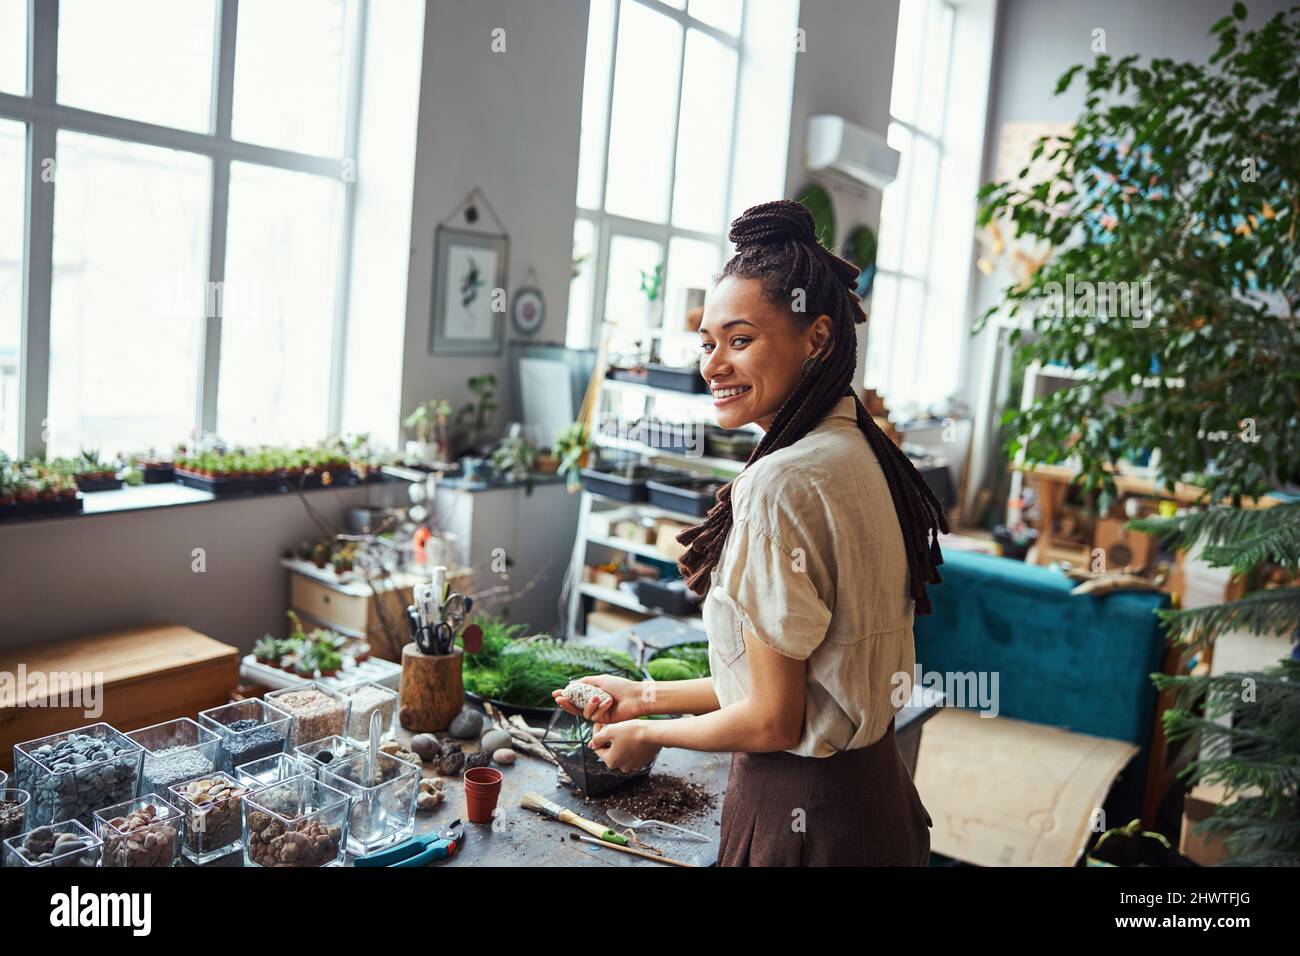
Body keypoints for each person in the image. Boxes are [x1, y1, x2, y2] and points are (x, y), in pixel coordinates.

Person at [554, 199, 947, 866]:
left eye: (740, 340)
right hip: (876, 809)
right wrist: (644, 695)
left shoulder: (779, 483)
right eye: (707, 343)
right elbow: (794, 682)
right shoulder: (863, 450)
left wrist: (652, 732)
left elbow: (772, 719)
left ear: (818, 338)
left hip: (800, 823)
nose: (713, 365)